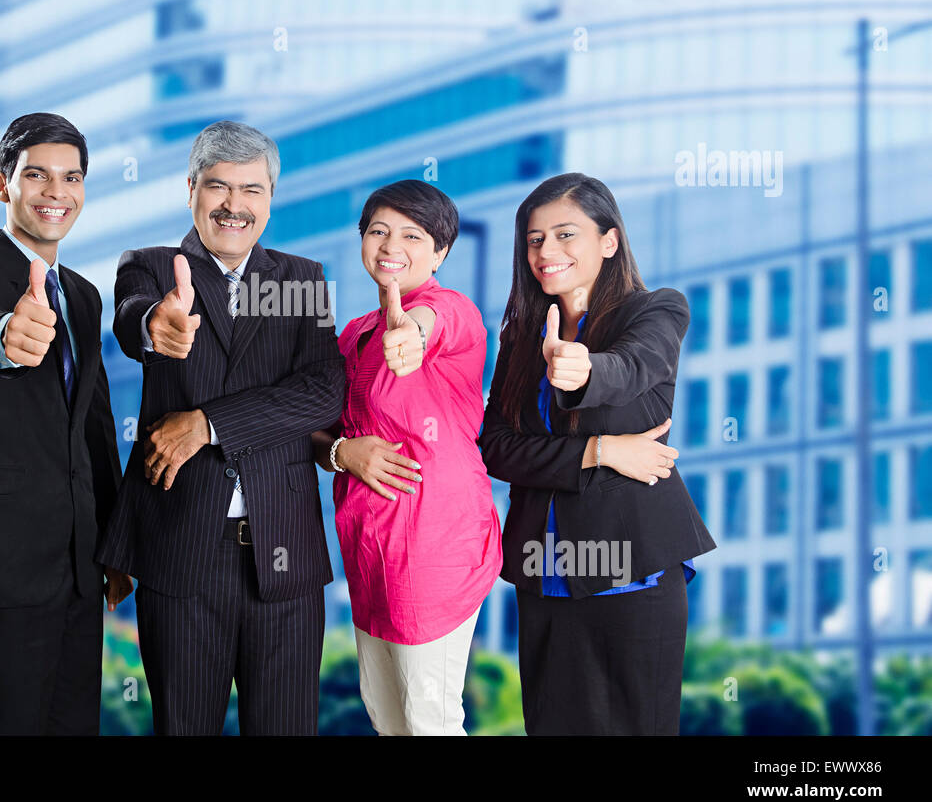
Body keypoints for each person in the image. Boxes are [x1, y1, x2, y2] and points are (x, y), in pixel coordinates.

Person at [97, 120, 344, 735]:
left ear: (270, 197)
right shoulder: (150, 268)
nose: (234, 205)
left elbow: (322, 391)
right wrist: (158, 324)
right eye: (217, 187)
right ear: (190, 190)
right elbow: (134, 320)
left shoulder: (300, 278)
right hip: (181, 553)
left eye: (251, 190)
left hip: (283, 557)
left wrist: (208, 424)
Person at [479, 171, 716, 735]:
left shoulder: (656, 311)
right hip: (546, 572)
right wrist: (600, 451)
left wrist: (581, 366)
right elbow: (496, 448)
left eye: (566, 235)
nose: (547, 251)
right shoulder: (521, 339)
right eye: (534, 240)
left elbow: (636, 367)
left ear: (608, 242)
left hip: (632, 568)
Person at [0, 112, 128, 735]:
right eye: (36, 175)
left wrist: (114, 543)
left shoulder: (86, 297)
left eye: (71, 178)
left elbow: (95, 426)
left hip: (78, 565)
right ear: (2, 184)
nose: (55, 192)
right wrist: (9, 337)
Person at [310, 179, 500, 735]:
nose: (391, 245)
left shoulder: (452, 310)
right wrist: (344, 453)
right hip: (371, 550)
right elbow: (318, 438)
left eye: (412, 235)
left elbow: (426, 330)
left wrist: (411, 336)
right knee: (387, 715)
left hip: (435, 547)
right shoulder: (353, 335)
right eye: (378, 231)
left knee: (429, 718)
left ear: (440, 252)